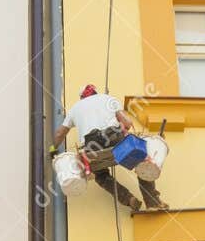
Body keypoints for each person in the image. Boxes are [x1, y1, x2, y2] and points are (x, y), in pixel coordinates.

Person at [53, 84, 167, 212]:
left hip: (92, 148)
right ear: (95, 92)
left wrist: (52, 148)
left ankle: (128, 199)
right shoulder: (108, 99)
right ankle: (153, 202)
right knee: (143, 162)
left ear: (82, 97)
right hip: (115, 140)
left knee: (101, 176)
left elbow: (59, 134)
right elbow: (127, 123)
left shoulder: (75, 108)